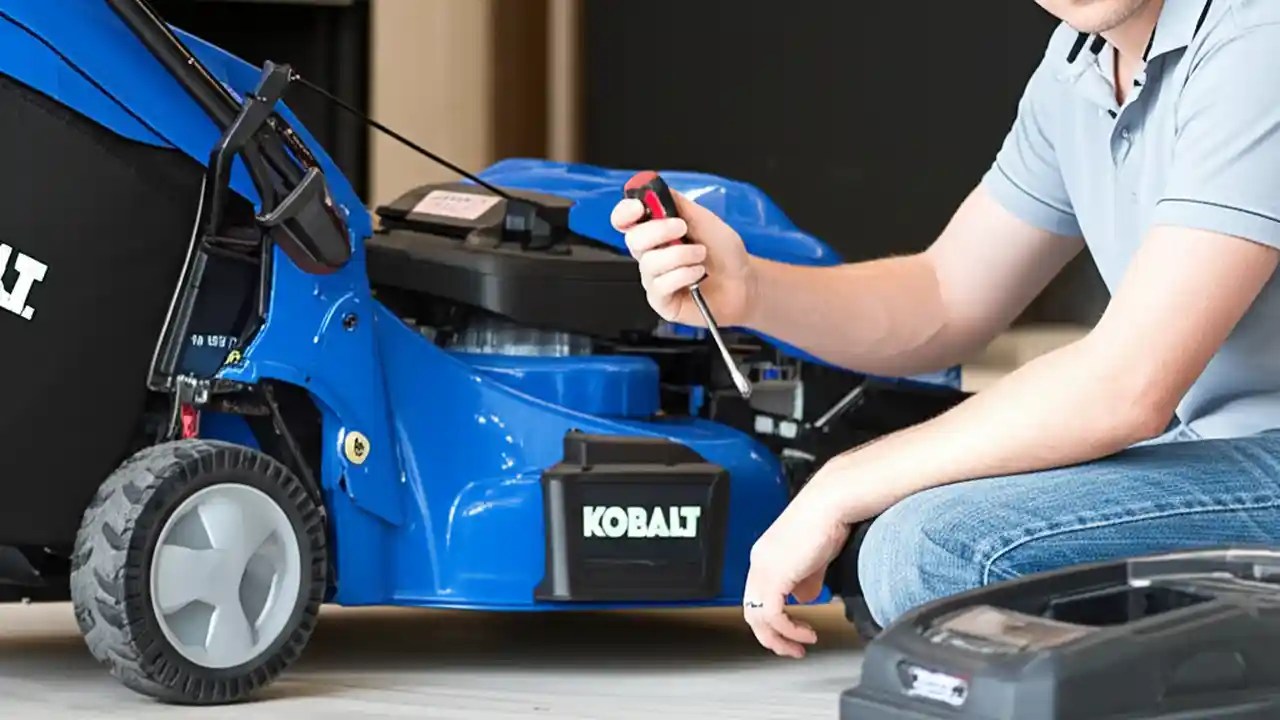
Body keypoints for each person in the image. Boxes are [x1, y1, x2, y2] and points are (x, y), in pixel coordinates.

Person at [611, 0, 1280, 658]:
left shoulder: (1258, 40)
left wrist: (842, 483)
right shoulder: (1079, 67)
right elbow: (944, 297)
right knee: (898, 537)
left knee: (932, 549)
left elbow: (1125, 388)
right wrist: (751, 290)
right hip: (1212, 450)